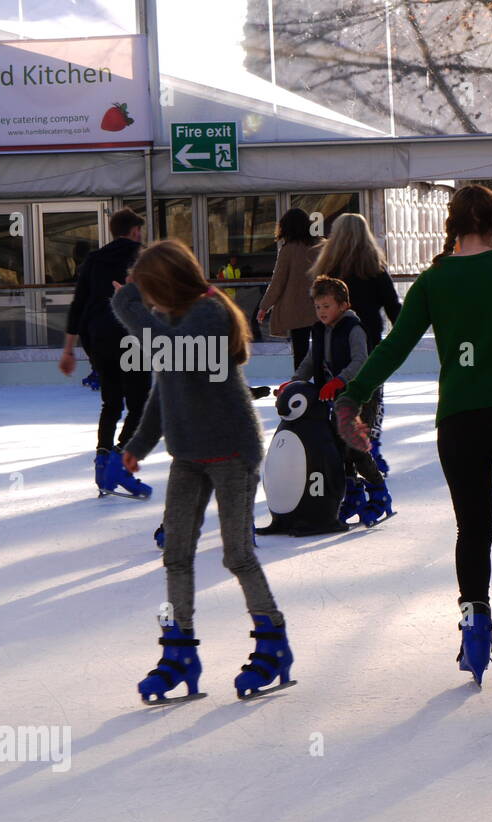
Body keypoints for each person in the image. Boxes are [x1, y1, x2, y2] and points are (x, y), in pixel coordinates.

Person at [336, 185, 492, 688]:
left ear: (453, 224)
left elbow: (394, 345)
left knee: (474, 528)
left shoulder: (434, 281)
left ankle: (476, 631)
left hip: (460, 421)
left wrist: (353, 395)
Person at [112, 240, 292, 702]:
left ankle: (273, 642)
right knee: (176, 554)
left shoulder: (209, 313)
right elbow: (165, 389)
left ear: (168, 282)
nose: (148, 301)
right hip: (188, 455)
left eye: (150, 292)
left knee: (237, 555)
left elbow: (174, 353)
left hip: (232, 452)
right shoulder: (173, 319)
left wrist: (128, 303)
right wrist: (138, 444)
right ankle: (180, 652)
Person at [58, 207, 152, 496]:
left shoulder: (93, 259)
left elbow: (78, 303)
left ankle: (102, 464)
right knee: (139, 405)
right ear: (135, 231)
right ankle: (118, 464)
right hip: (130, 336)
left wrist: (68, 349)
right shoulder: (142, 256)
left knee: (111, 403)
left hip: (97, 338)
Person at [281, 274, 388, 526]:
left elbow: (360, 361)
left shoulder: (354, 329)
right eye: (318, 307)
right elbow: (310, 360)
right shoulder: (319, 330)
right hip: (333, 397)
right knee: (337, 450)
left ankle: (379, 492)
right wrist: (295, 382)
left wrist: (340, 380)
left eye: (327, 306)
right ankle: (352, 496)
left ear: (343, 305)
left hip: (360, 396)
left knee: (354, 449)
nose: (321, 312)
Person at [310, 212, 401, 473]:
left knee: (342, 401)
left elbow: (317, 309)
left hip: (335, 348)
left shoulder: (327, 272)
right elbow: (393, 306)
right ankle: (370, 447)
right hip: (370, 346)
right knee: (371, 398)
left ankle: (345, 452)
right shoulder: (375, 269)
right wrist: (401, 337)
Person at [257, 208, 322, 372]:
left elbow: (278, 282)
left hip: (297, 311)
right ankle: (323, 388)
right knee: (322, 351)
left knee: (300, 352)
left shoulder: (288, 250)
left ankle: (300, 388)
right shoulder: (322, 245)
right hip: (323, 308)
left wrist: (264, 306)